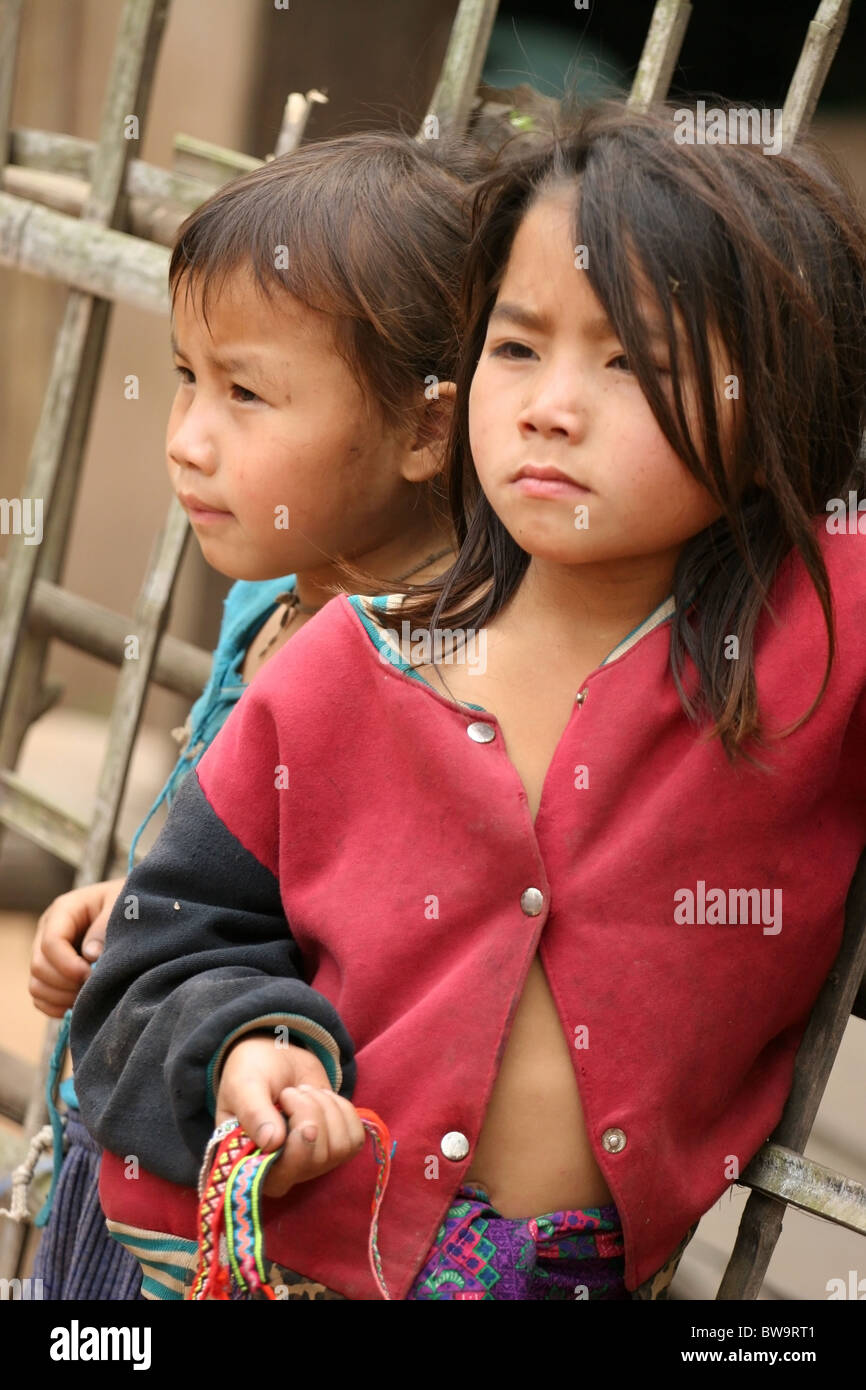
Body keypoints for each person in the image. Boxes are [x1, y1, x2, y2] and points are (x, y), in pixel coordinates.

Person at [70, 100, 866, 1302]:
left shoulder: (812, 654)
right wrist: (250, 1048)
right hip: (283, 1264)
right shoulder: (342, 673)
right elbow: (158, 959)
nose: (550, 403)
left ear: (772, 412)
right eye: (516, 345)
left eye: (629, 361)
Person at [28, 127, 493, 1299]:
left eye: (245, 392)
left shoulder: (432, 675)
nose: (187, 438)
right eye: (187, 378)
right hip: (122, 1135)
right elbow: (228, 864)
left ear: (427, 429)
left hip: (239, 1201)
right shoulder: (264, 606)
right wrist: (129, 910)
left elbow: (364, 942)